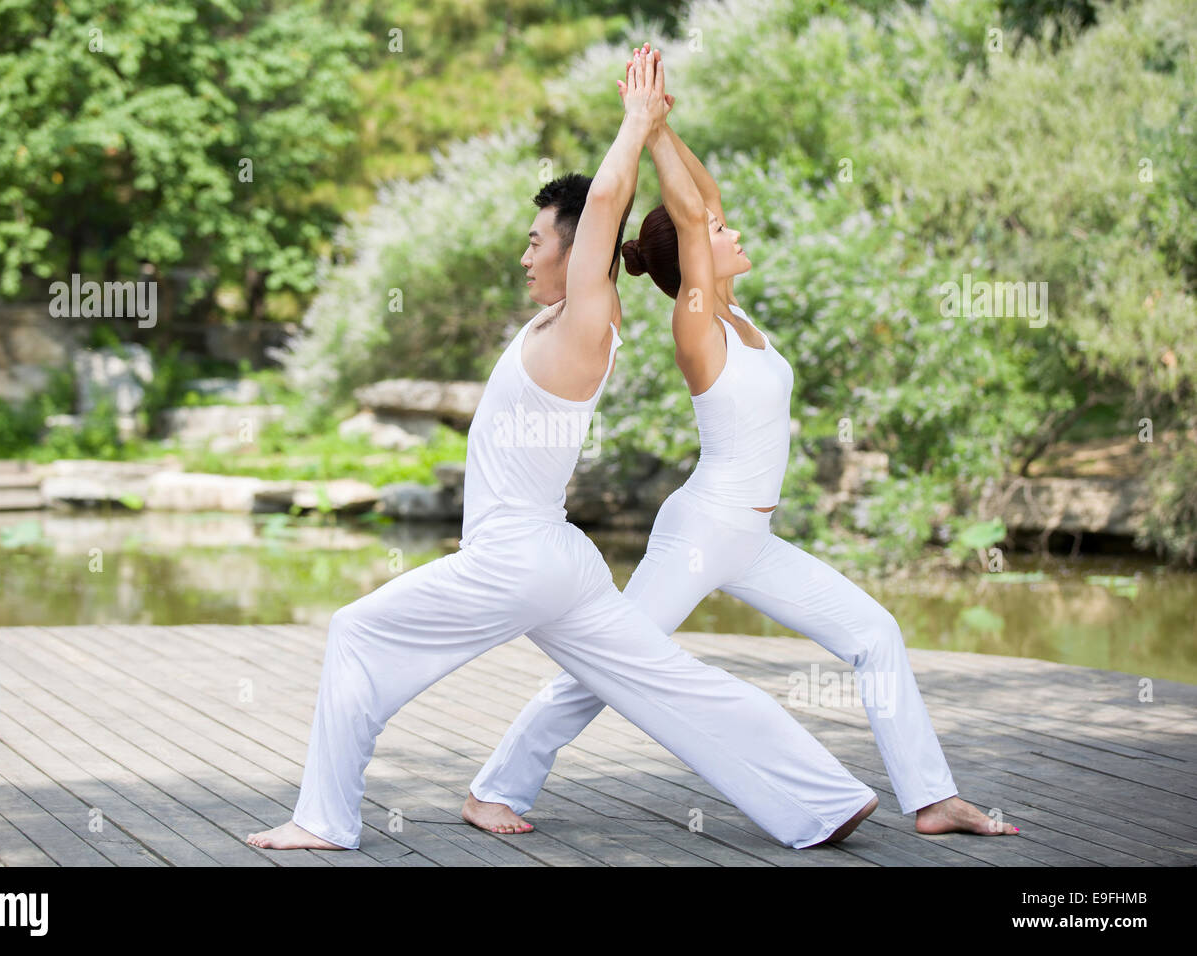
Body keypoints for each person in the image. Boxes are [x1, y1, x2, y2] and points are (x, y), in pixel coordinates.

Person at [246, 45, 878, 853]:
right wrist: (648, 130)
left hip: (513, 560)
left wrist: (638, 125)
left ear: (578, 249)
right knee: (672, 683)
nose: (524, 255)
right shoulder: (556, 319)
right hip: (558, 565)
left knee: (357, 634)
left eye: (535, 240)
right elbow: (621, 211)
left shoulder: (588, 314)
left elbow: (609, 200)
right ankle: (824, 800)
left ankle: (324, 821)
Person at [464, 47, 1020, 840]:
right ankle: (497, 787)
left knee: (875, 634)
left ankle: (932, 799)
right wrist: (646, 132)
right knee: (612, 666)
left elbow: (704, 200)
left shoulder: (734, 313)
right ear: (690, 261)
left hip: (751, 535)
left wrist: (669, 123)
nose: (728, 227)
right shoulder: (696, 321)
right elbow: (693, 216)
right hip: (701, 534)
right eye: (716, 233)